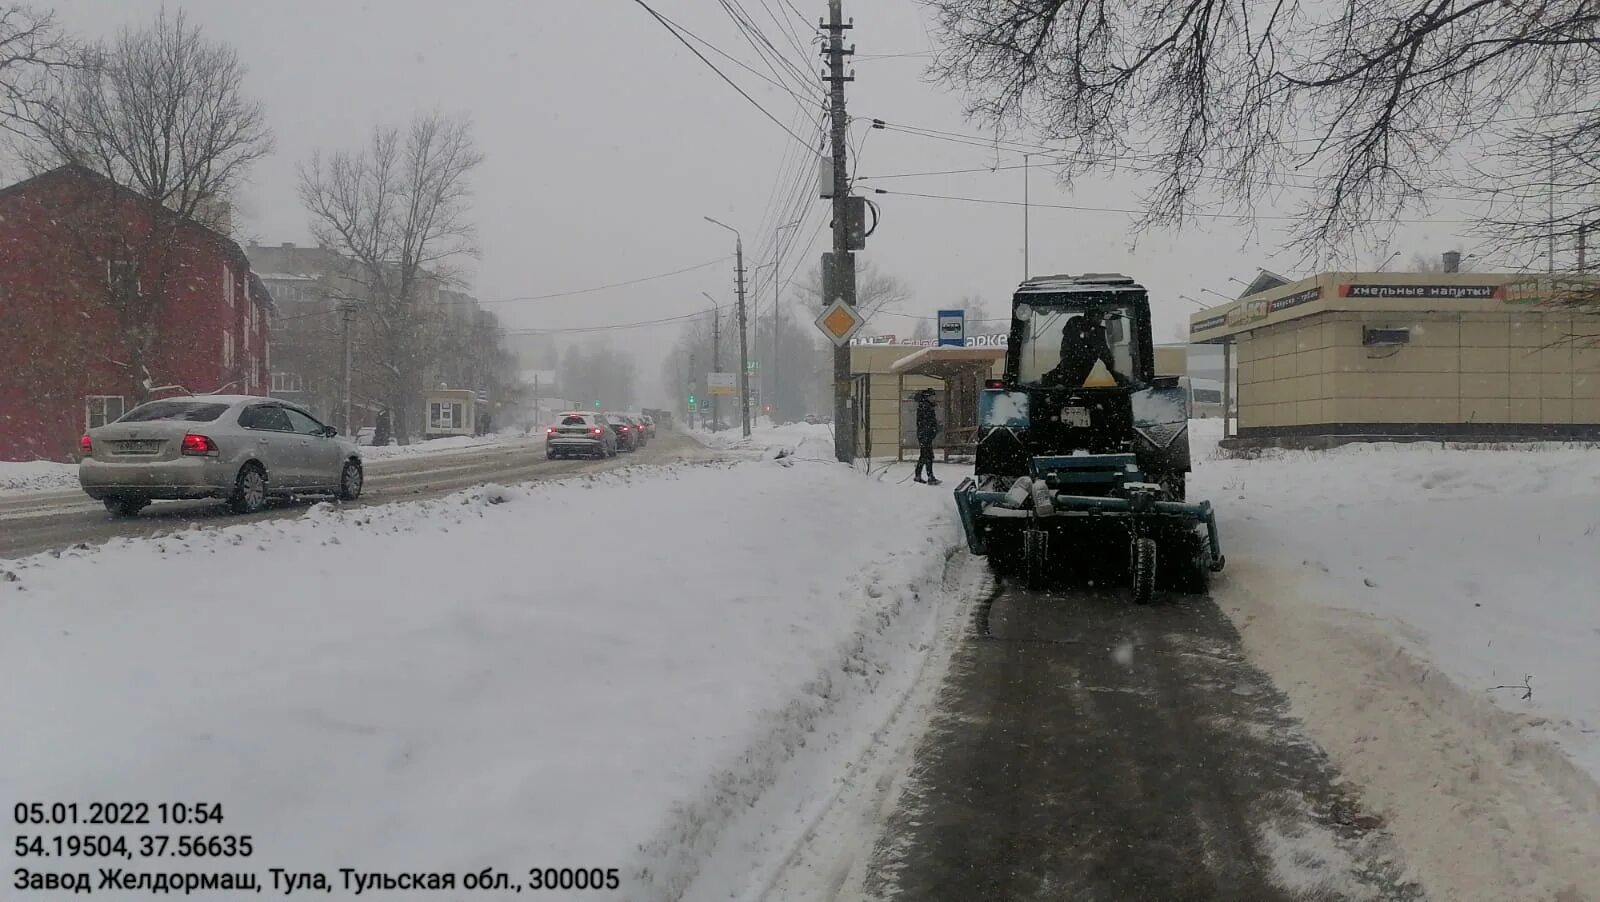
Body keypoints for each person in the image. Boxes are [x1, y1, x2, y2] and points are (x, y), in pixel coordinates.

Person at [1044, 310, 1130, 388]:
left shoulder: (1073, 330)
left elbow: (1107, 359)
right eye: (1098, 317)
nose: (1100, 321)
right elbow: (1107, 359)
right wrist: (1121, 380)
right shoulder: (1094, 336)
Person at [913, 388, 941, 485]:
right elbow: (927, 422)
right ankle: (929, 476)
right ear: (927, 397)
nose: (934, 398)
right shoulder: (925, 407)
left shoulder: (925, 406)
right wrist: (933, 430)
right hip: (925, 435)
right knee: (927, 456)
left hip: (924, 434)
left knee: (925, 455)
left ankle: (919, 475)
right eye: (932, 396)